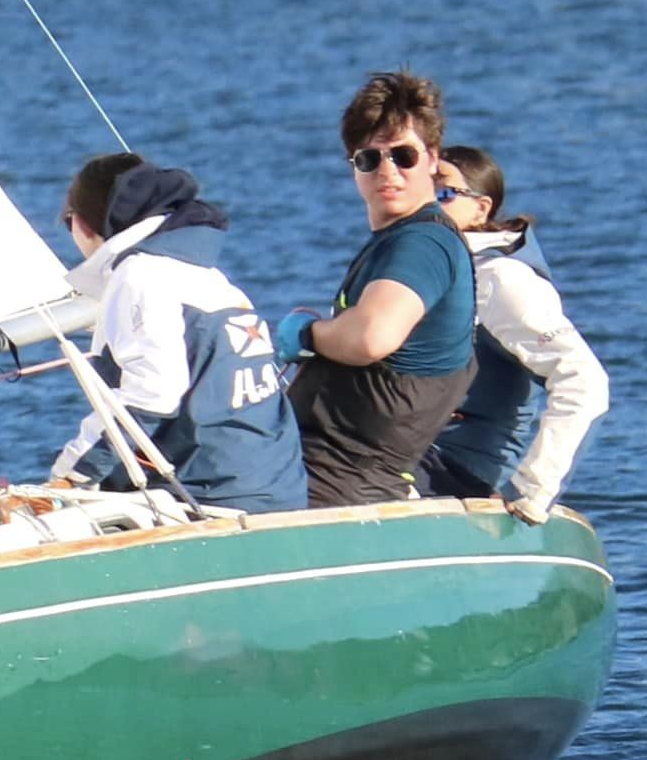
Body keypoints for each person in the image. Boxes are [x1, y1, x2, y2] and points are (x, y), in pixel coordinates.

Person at [49, 153, 307, 514]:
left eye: (68, 222)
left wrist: (70, 476)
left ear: (83, 224)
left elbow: (152, 394)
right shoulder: (208, 275)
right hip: (281, 490)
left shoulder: (138, 275)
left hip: (213, 500)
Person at [275, 71, 476, 507]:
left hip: (335, 486)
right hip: (312, 468)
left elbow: (371, 338)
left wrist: (308, 334)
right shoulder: (398, 241)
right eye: (370, 159)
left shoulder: (422, 243)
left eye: (403, 155)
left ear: (431, 159)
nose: (388, 171)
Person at [417, 146, 609, 525]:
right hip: (403, 453)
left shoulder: (501, 280)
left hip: (455, 471)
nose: (426, 204)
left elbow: (584, 382)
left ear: (481, 209)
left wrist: (530, 491)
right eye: (420, 190)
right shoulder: (416, 270)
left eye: (442, 193)